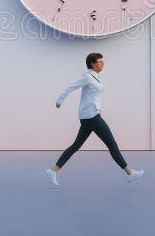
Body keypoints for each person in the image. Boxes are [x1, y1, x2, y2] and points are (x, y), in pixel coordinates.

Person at [45, 52, 144, 186]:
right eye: (100, 62)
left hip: (89, 116)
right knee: (111, 144)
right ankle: (130, 173)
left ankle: (53, 170)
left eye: (103, 62)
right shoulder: (87, 77)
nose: (103, 64)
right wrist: (59, 100)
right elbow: (71, 87)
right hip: (92, 117)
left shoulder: (95, 77)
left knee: (75, 146)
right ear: (92, 64)